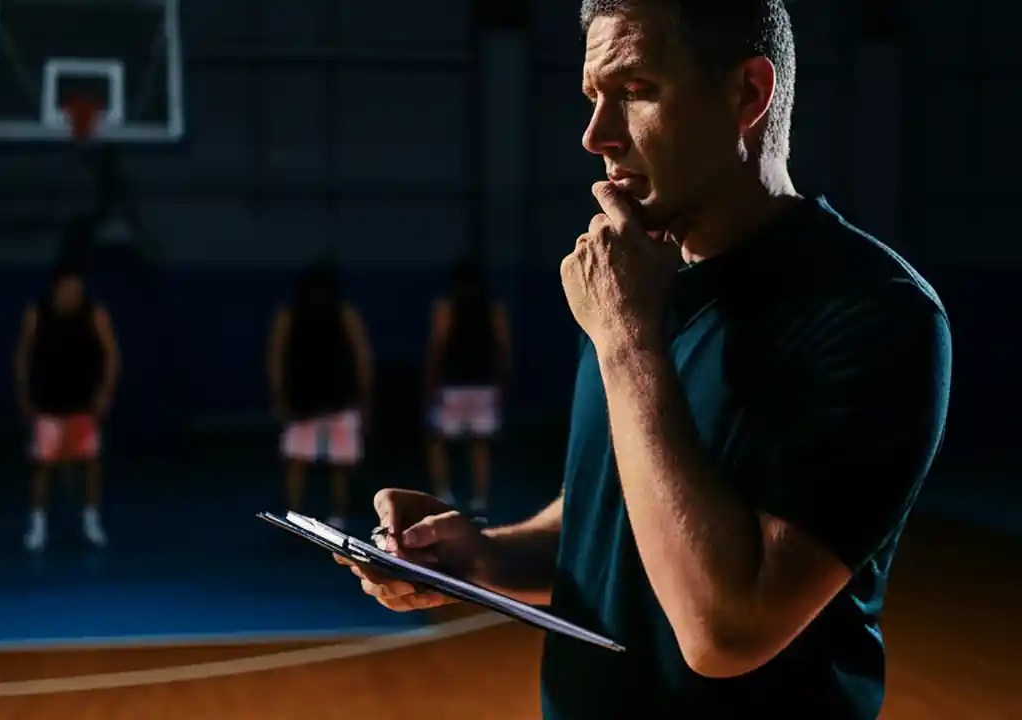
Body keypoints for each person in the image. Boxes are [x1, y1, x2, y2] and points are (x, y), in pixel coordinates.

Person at [338, 1, 952, 717]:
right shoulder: (635, 282)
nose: (596, 136)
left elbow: (727, 629)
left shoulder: (874, 313)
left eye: (635, 91)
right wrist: (483, 557)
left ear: (748, 95)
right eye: (593, 97)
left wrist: (628, 340)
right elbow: (617, 508)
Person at [15, 260, 120, 551]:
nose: (72, 293)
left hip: (84, 404)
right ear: (56, 287)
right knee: (42, 467)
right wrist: (23, 392)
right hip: (47, 404)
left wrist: (105, 393)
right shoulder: (38, 312)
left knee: (90, 465)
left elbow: (111, 354)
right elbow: (23, 354)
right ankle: (38, 525)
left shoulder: (94, 313)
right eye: (67, 287)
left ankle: (91, 520)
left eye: (77, 287)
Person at [267, 260, 373, 528]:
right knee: (335, 463)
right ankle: (335, 516)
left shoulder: (290, 314)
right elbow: (362, 357)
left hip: (310, 397)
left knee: (299, 460)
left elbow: (276, 360)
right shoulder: (343, 313)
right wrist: (364, 398)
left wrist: (279, 396)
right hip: (331, 397)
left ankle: (298, 515)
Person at [423, 257, 511, 514]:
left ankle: (443, 493)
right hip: (484, 384)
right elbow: (504, 347)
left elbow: (437, 347)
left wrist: (429, 383)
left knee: (437, 440)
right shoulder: (494, 308)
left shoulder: (445, 306)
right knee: (479, 443)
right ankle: (480, 499)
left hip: (452, 385)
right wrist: (501, 382)